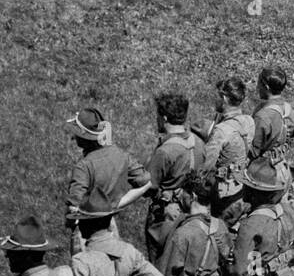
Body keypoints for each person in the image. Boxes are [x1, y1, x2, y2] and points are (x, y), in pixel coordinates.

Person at [145, 92, 209, 258]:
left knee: (161, 261)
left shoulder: (165, 151)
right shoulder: (199, 143)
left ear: (164, 118)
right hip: (193, 211)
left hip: (167, 217)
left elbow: (149, 187)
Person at [65, 106, 150, 228]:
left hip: (86, 229)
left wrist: (70, 222)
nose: (74, 137)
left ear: (85, 137)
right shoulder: (122, 155)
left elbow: (75, 207)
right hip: (109, 225)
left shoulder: (84, 167)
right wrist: (118, 203)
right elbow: (144, 179)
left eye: (77, 132)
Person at [202, 76, 255, 221]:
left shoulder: (222, 130)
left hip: (224, 195)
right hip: (244, 187)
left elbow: (205, 166)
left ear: (224, 98)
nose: (215, 101)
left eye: (217, 97)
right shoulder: (249, 121)